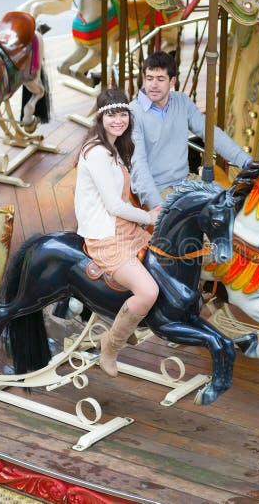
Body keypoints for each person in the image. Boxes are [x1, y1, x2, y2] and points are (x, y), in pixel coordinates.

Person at [74, 88, 161, 377]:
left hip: (125, 228)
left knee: (166, 261)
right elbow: (113, 205)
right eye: (111, 114)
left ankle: (128, 322)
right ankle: (109, 346)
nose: (118, 120)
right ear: (100, 117)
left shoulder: (113, 148)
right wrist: (147, 216)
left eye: (122, 114)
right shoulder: (97, 152)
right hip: (106, 236)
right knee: (148, 291)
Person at [129, 51, 252, 209]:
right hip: (158, 189)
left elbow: (210, 133)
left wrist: (245, 161)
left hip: (186, 181)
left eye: (160, 79)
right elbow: (138, 164)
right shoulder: (133, 112)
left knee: (233, 207)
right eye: (149, 78)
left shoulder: (181, 102)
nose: (153, 85)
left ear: (172, 81)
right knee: (205, 223)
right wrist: (157, 207)